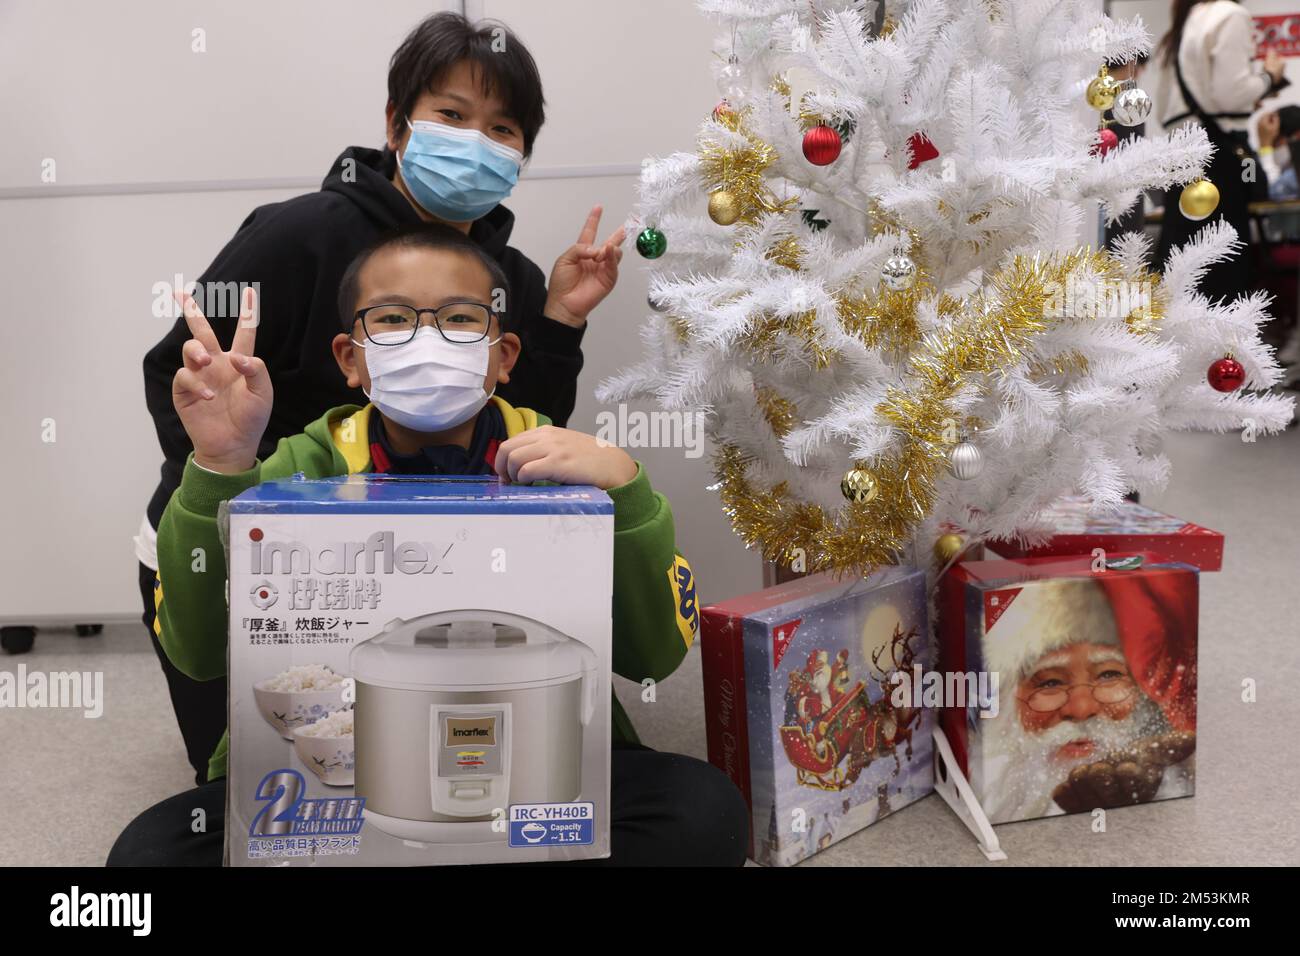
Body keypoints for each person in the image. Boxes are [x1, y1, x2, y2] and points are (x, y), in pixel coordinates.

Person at [109, 225, 748, 867]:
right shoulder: (294, 477)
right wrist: (220, 465)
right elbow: (194, 654)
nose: (427, 338)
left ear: (504, 356)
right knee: (149, 855)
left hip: (541, 768)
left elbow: (653, 660)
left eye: (461, 318)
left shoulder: (565, 467)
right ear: (349, 357)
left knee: (702, 813)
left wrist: (627, 493)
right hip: (351, 780)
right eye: (391, 319)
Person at [136, 11, 626, 786]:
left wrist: (560, 320)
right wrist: (247, 494)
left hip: (430, 551)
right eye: (452, 116)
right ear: (397, 126)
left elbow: (524, 426)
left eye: (503, 129)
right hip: (254, 546)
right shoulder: (296, 235)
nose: (477, 141)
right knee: (277, 773)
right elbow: (179, 372)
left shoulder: (515, 280)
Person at [977, 576, 1198, 824]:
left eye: (1108, 675)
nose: (1081, 709)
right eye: (1051, 683)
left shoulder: (1178, 776)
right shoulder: (984, 790)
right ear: (1010, 701)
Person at [1152, 0, 1288, 302]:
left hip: (1182, 155)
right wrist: (1269, 77)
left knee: (1181, 270)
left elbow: (1164, 108)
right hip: (1221, 160)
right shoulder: (1230, 14)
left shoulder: (1184, 24)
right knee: (1220, 274)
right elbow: (1232, 93)